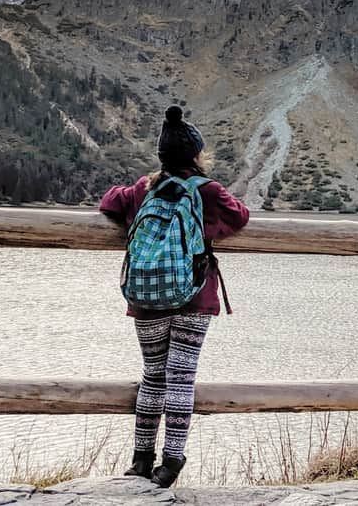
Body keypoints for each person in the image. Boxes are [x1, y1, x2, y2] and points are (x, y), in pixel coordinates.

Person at [99, 105, 250, 487]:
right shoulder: (208, 191)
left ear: (161, 155)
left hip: (147, 296)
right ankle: (170, 463)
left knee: (153, 376)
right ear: (197, 155)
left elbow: (107, 203)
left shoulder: (142, 189)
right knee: (181, 378)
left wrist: (137, 187)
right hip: (193, 297)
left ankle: (140, 459)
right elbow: (240, 216)